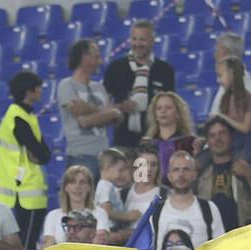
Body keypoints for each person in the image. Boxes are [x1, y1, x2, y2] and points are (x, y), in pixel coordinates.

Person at [0, 70, 51, 250]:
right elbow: (42, 153)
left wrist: (40, 153)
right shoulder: (18, 117)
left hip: (19, 190)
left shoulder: (25, 116)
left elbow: (41, 152)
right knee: (25, 249)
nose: (41, 91)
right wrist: (40, 153)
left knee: (23, 247)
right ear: (29, 91)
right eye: (38, 88)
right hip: (25, 192)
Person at [103, 19, 175, 149]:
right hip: (123, 141)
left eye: (142, 40)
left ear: (152, 41)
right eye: (134, 39)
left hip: (155, 140)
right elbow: (103, 104)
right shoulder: (115, 68)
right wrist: (119, 107)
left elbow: (172, 105)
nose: (137, 44)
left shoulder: (165, 70)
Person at [58, 39, 119, 177]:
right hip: (82, 157)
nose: (101, 61)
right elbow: (84, 122)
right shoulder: (67, 86)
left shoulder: (99, 87)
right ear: (85, 58)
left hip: (104, 157)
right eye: (97, 56)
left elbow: (116, 118)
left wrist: (89, 109)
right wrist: (107, 113)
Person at [196, 115, 251, 231]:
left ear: (231, 136)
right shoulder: (202, 173)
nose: (217, 138)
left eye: (222, 133)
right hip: (212, 241)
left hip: (244, 238)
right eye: (212, 135)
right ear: (208, 141)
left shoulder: (248, 164)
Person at [152, 150, 226, 250]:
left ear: (194, 174)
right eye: (176, 170)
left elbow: (220, 249)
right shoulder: (156, 211)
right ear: (169, 176)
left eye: (186, 169)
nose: (181, 174)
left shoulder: (209, 209)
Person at [41, 165, 111, 248]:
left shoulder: (100, 213)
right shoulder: (53, 215)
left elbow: (100, 241)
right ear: (66, 187)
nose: (77, 187)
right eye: (72, 182)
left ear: (89, 187)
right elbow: (47, 246)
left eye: (82, 182)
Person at [210, 56, 251, 157]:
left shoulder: (248, 98)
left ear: (232, 74)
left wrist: (224, 118)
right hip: (231, 142)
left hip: (245, 145)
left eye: (221, 76)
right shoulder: (225, 98)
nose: (218, 80)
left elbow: (246, 128)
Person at [144, 91, 200, 181]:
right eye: (159, 108)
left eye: (168, 107)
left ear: (178, 113)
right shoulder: (148, 144)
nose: (163, 111)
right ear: (155, 115)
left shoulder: (190, 142)